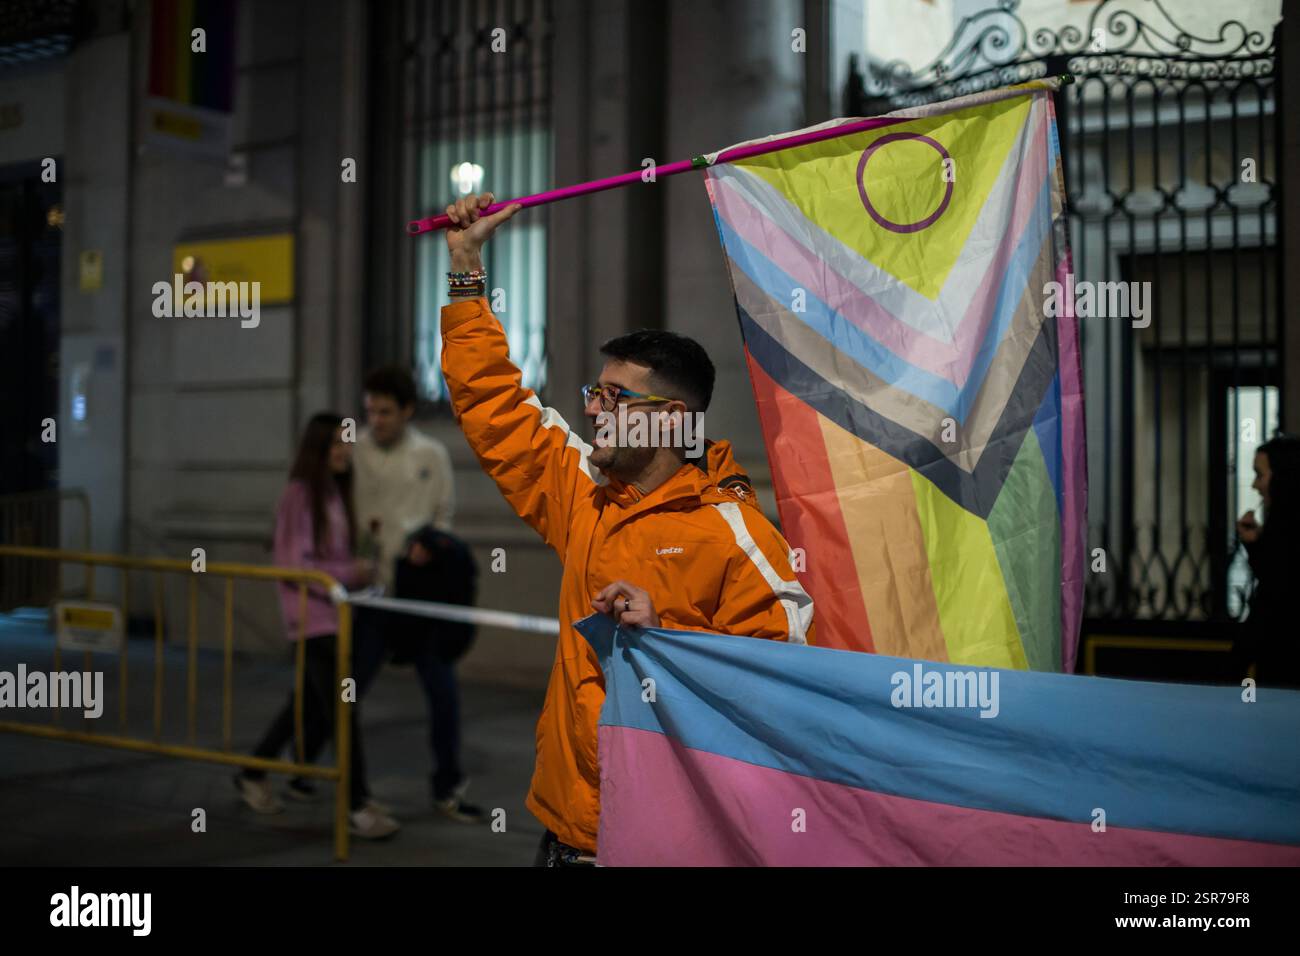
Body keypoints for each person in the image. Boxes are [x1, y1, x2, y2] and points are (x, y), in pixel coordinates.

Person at [438, 192, 816, 866]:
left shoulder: (739, 535)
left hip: (669, 845)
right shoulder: (581, 491)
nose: (591, 409)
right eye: (593, 392)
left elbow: (778, 691)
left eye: (612, 398)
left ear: (670, 417)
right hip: (563, 836)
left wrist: (664, 633)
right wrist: (466, 265)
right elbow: (492, 403)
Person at [234, 412, 401, 840]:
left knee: (307, 707)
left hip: (332, 617)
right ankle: (357, 803)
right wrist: (352, 571)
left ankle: (253, 771)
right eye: (334, 444)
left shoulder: (331, 492)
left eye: (346, 442)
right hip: (313, 620)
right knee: (343, 710)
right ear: (317, 448)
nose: (344, 450)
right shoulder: (301, 493)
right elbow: (295, 564)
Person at [351, 366, 484, 822]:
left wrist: (430, 542)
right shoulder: (356, 452)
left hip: (420, 596)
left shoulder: (432, 454)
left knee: (443, 692)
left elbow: (444, 513)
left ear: (407, 410)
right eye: (371, 411)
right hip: (373, 594)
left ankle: (447, 786)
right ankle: (312, 772)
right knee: (345, 689)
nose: (377, 419)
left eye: (386, 411)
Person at [1235, 433, 1300, 688]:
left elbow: (1276, 597)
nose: (1255, 485)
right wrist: (1257, 544)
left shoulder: (1287, 528)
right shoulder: (1281, 526)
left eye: (1260, 474)